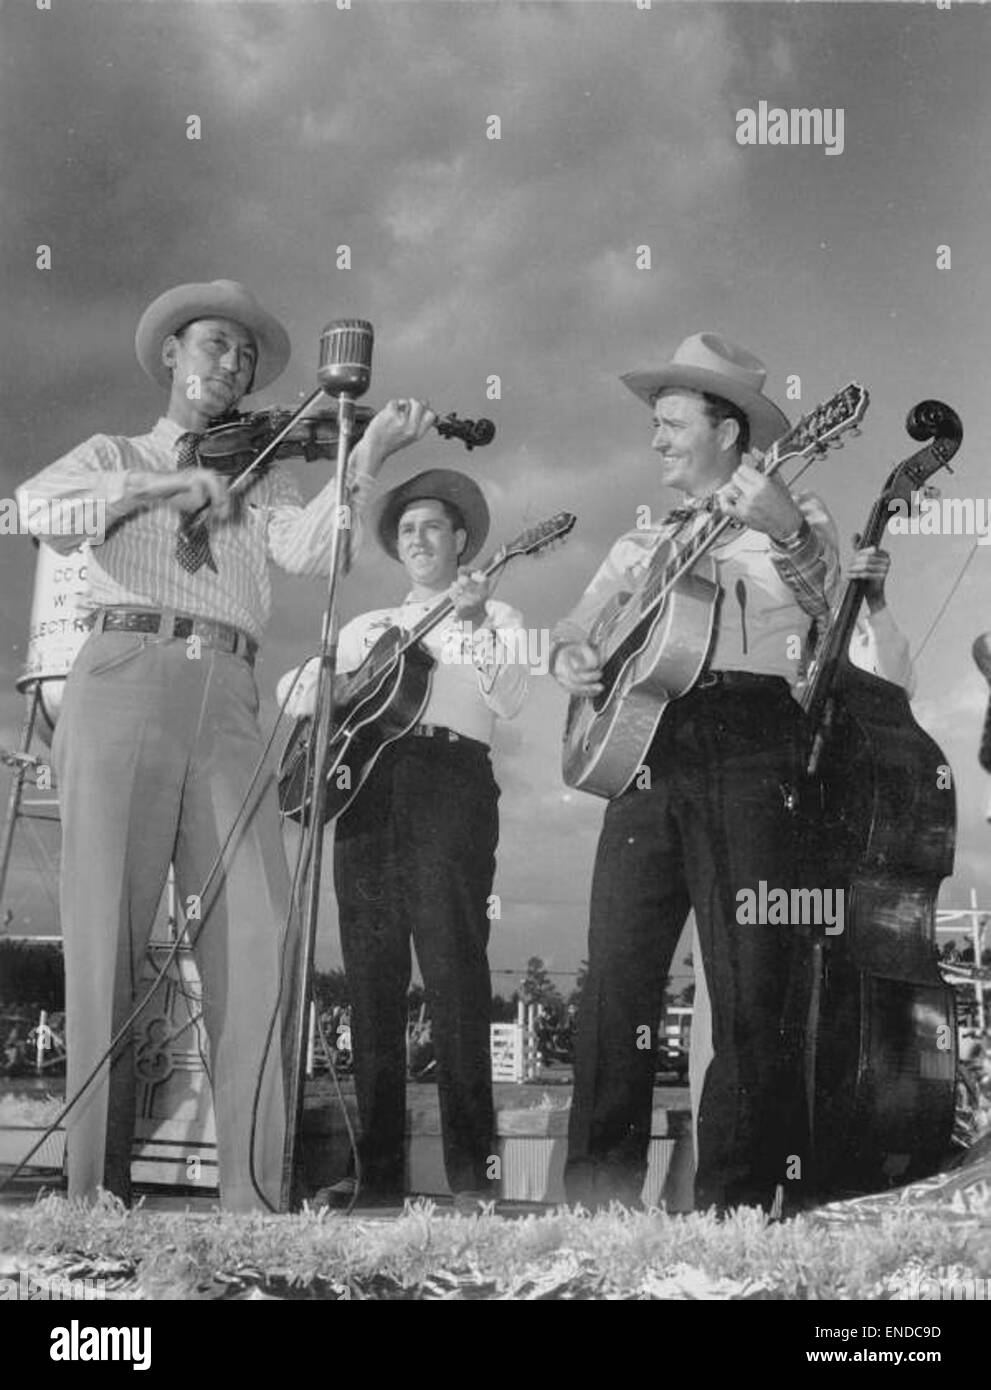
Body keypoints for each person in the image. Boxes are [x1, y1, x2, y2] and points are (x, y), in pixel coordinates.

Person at [16, 279, 434, 1210]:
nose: (233, 365)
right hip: (125, 668)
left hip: (232, 695)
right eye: (215, 345)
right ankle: (95, 1199)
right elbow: (39, 509)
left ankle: (254, 1201)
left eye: (245, 356)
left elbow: (316, 554)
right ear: (171, 354)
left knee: (255, 929)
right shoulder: (115, 451)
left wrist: (360, 455)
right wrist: (161, 482)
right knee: (105, 938)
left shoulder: (268, 475)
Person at [550, 332, 839, 1215]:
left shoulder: (799, 509)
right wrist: (572, 659)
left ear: (729, 430)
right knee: (613, 982)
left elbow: (835, 609)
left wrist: (783, 526)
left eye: (670, 422)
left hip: (754, 740)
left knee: (752, 976)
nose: (655, 440)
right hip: (644, 749)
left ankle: (738, 1207)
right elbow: (575, 630)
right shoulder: (640, 544)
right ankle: (596, 1199)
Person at [279, 469, 527, 1211]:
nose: (419, 539)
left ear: (461, 543)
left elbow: (510, 698)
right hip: (363, 789)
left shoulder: (498, 611)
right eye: (407, 530)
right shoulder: (365, 626)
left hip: (449, 780)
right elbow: (295, 690)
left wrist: (478, 626)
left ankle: (471, 1178)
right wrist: (340, 683)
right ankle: (378, 1175)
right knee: (369, 983)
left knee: (454, 973)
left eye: (433, 528)